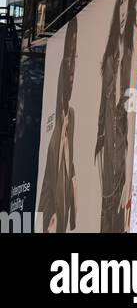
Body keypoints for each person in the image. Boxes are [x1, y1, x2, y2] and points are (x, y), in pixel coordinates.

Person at [96, 0, 137, 231]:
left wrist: (128, 177)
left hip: (124, 161)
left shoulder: (133, 52)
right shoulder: (110, 59)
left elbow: (131, 114)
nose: (123, 9)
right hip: (107, 163)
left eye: (126, 1)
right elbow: (103, 117)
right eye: (119, 3)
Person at [38, 17, 77, 232]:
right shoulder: (54, 134)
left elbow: (71, 175)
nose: (72, 73)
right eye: (68, 63)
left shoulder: (71, 117)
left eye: (75, 60)